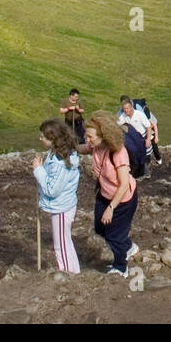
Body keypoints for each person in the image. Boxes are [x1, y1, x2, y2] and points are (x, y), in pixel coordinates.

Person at [81, 110, 138, 277]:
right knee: (100, 228)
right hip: (104, 194)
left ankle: (121, 267)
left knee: (114, 236)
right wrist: (66, 147)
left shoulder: (118, 153)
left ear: (104, 136)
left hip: (122, 200)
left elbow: (123, 185)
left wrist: (111, 208)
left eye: (90, 136)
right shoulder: (96, 146)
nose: (87, 139)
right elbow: (84, 148)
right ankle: (128, 247)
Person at [33, 119, 80, 274]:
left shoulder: (61, 162)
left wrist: (38, 170)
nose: (40, 139)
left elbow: (52, 190)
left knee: (61, 246)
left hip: (61, 208)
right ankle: (74, 273)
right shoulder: (57, 153)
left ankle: (67, 275)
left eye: (43, 136)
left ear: (53, 138)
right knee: (66, 242)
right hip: (63, 205)